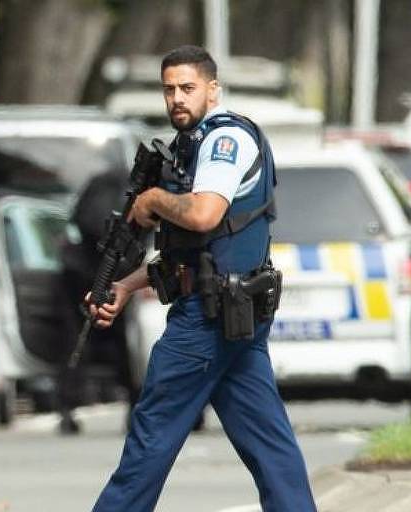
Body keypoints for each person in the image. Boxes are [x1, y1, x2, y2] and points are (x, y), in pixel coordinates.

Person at [88, 45, 317, 511]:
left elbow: (205, 215)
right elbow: (191, 256)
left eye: (187, 88)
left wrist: (152, 200)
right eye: (169, 89)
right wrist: (128, 284)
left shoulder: (222, 141)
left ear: (212, 90)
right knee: (270, 446)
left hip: (207, 322)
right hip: (233, 313)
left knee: (150, 438)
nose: (177, 98)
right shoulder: (191, 145)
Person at [57, 170, 134, 434]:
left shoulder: (102, 187)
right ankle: (135, 404)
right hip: (109, 277)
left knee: (78, 343)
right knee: (122, 347)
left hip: (97, 278)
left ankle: (68, 408)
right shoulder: (119, 188)